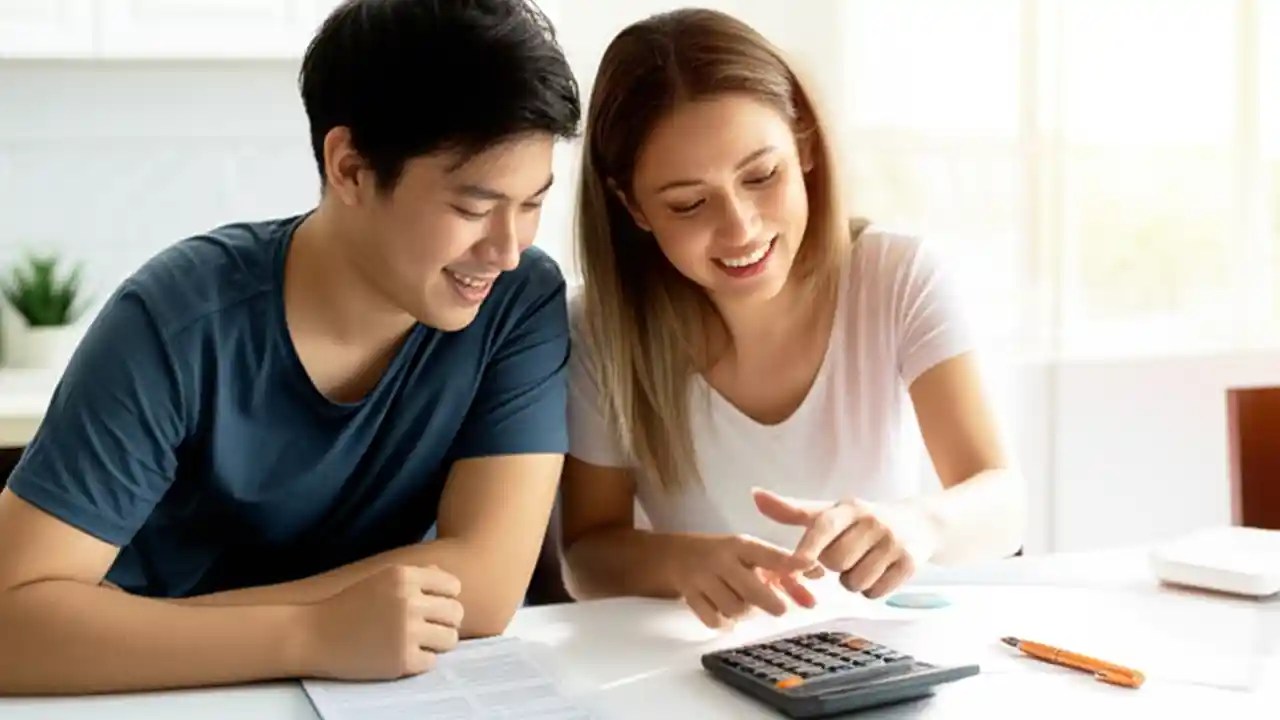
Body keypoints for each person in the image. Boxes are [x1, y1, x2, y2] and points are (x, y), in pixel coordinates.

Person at [0, 0, 580, 695]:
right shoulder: (175, 320)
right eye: (474, 208)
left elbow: (485, 585)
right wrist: (312, 633)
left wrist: (161, 628)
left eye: (533, 203)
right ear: (351, 168)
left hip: (355, 688)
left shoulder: (516, 302)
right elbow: (15, 622)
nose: (508, 249)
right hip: (146, 694)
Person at [560, 8, 1025, 631]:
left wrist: (918, 524)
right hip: (692, 662)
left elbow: (1003, 505)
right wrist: (683, 562)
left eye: (761, 175)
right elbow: (587, 557)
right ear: (633, 208)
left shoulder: (895, 276)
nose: (740, 228)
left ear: (804, 144)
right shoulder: (599, 327)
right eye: (689, 203)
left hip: (878, 646)